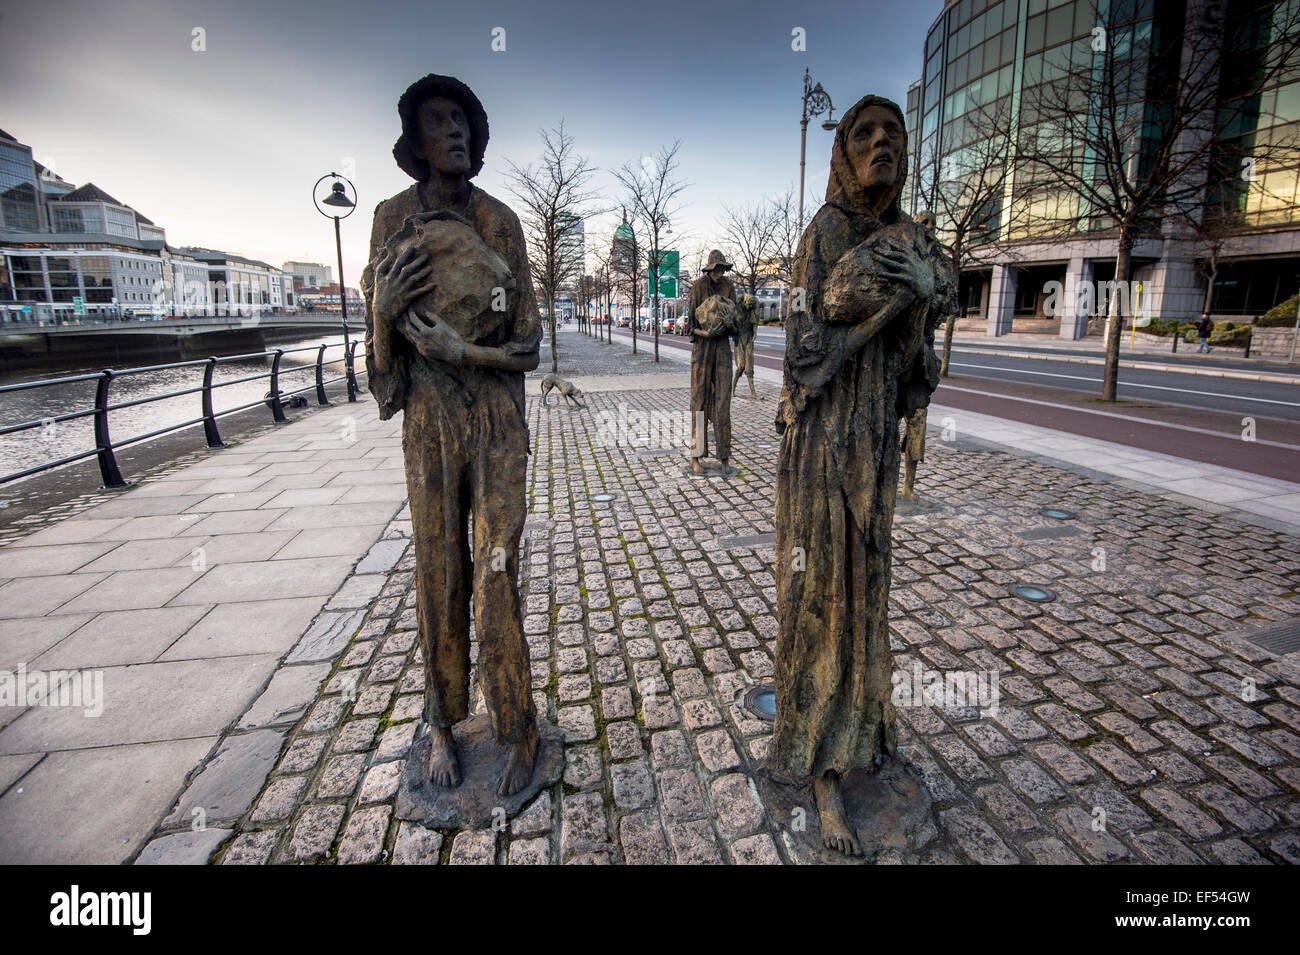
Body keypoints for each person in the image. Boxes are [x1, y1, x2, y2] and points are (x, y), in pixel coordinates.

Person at [769, 94, 949, 856]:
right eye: (865, 135)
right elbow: (804, 348)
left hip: (872, 444)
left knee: (867, 596)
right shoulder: (827, 233)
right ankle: (818, 762)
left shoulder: (913, 239)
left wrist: (926, 309)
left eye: (893, 135)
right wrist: (889, 286)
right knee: (820, 596)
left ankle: (865, 735)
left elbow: (914, 366)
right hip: (819, 447)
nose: (882, 144)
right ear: (844, 152)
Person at [361, 74, 542, 798]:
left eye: (465, 120)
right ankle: (441, 718)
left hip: (496, 417)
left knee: (496, 569)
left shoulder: (501, 223)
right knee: (439, 570)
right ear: (416, 141)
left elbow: (528, 344)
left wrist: (462, 352)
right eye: (441, 121)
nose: (457, 130)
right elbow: (382, 373)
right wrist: (381, 315)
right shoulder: (388, 218)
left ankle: (515, 722)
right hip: (430, 422)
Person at [686, 250, 738, 474]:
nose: (719, 273)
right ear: (709, 269)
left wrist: (730, 324)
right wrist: (706, 334)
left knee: (723, 404)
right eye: (715, 269)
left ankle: (724, 456)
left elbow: (738, 326)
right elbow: (689, 327)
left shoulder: (729, 287)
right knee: (698, 402)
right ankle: (696, 455)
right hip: (703, 349)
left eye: (722, 269)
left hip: (723, 351)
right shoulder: (698, 287)